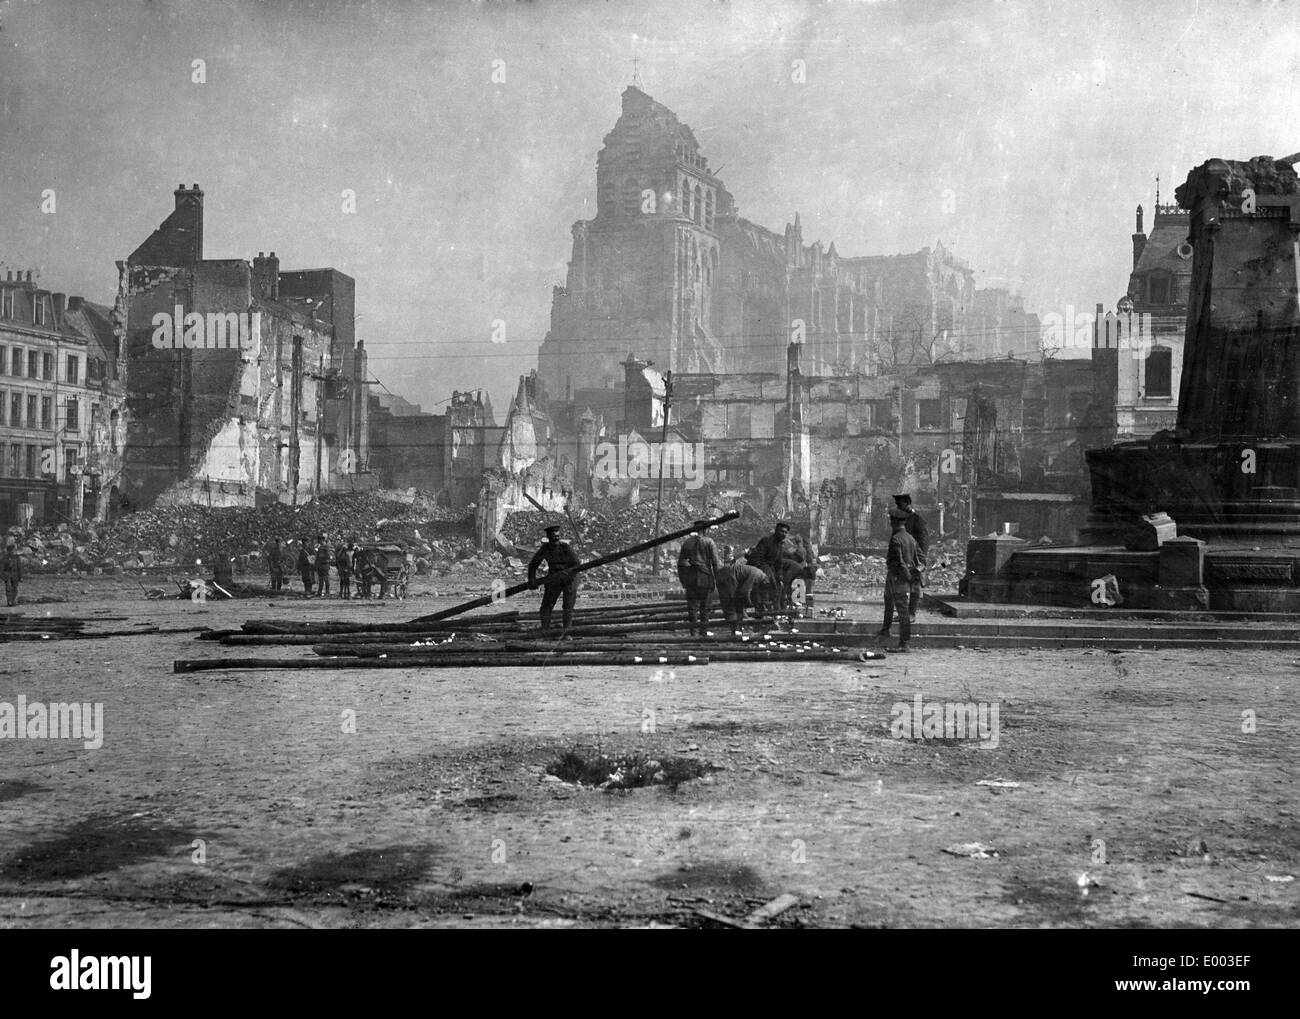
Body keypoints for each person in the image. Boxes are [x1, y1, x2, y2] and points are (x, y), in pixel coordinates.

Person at [879, 506, 921, 651]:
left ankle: (905, 643)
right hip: (901, 577)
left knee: (902, 611)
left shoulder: (896, 539)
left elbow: (900, 562)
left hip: (897, 577)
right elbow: (916, 560)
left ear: (894, 522)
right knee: (889, 601)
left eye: (891, 521)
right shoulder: (910, 538)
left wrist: (907, 577)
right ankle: (886, 629)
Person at [528, 525, 581, 637]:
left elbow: (577, 563)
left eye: (557, 537)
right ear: (548, 538)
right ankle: (545, 631)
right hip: (554, 578)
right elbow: (533, 564)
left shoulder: (565, 547)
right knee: (546, 606)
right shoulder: (545, 548)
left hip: (569, 578)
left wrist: (568, 573)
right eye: (553, 537)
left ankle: (567, 632)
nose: (556, 540)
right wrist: (531, 579)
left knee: (568, 607)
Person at [747, 521, 806, 615]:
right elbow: (757, 558)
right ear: (776, 531)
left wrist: (780, 576)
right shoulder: (766, 541)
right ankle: (762, 610)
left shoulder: (779, 545)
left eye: (786, 532)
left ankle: (775, 611)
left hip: (768, 567)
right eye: (782, 531)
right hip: (757, 567)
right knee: (768, 584)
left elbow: (778, 563)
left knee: (778, 585)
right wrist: (768, 573)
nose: (784, 534)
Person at [676, 521, 722, 636]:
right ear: (705, 530)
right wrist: (718, 579)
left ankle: (693, 632)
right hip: (705, 577)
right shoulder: (709, 542)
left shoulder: (687, 543)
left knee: (692, 606)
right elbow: (715, 563)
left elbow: (681, 563)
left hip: (690, 577)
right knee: (705, 606)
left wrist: (683, 580)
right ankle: (703, 631)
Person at [893, 493, 930, 621]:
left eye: (900, 504)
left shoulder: (917, 519)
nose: (898, 506)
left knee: (914, 587)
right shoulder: (901, 520)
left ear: (907, 503)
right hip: (902, 558)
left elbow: (924, 542)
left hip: (914, 558)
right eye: (897, 504)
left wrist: (921, 561)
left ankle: (911, 614)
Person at [713, 547, 769, 629]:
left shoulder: (757, 573)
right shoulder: (757, 575)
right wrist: (749, 604)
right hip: (728, 576)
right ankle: (734, 630)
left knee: (734, 601)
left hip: (727, 575)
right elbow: (745, 591)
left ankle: (737, 626)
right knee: (730, 602)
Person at [1, 539, 22, 607]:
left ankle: (13, 600)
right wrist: (2, 577)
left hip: (15, 575)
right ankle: (9, 601)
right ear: (8, 551)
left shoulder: (17, 558)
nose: (12, 552)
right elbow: (1, 568)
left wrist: (20, 577)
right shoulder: (4, 558)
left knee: (15, 589)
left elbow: (19, 568)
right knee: (8, 589)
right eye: (11, 550)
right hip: (7, 575)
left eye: (13, 550)